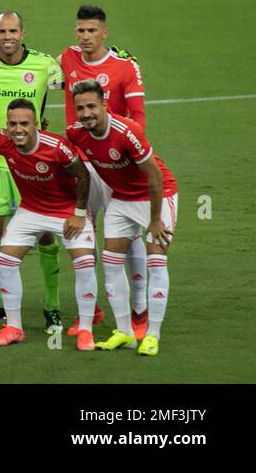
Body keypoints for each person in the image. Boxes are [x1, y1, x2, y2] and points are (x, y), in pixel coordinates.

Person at [0, 100, 97, 350]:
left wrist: (78, 214)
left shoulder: (57, 147)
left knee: (85, 262)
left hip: (66, 210)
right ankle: (14, 326)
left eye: (24, 123)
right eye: (12, 124)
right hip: (31, 209)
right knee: (5, 259)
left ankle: (86, 329)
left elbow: (83, 175)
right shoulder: (3, 141)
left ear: (36, 124)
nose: (18, 129)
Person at [66, 80, 176, 357]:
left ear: (104, 105)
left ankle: (152, 335)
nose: (86, 113)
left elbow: (155, 176)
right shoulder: (77, 134)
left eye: (92, 106)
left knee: (156, 262)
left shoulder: (128, 132)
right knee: (112, 264)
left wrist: (154, 219)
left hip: (157, 197)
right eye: (80, 108)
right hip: (122, 199)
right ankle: (125, 332)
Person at [59, 5, 149, 338]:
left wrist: (124, 154)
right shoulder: (67, 58)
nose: (85, 37)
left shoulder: (125, 66)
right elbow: (41, 69)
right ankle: (91, 310)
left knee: (128, 235)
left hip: (113, 164)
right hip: (80, 162)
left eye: (91, 31)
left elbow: (138, 118)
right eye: (80, 30)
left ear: (104, 33)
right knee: (81, 230)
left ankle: (139, 310)